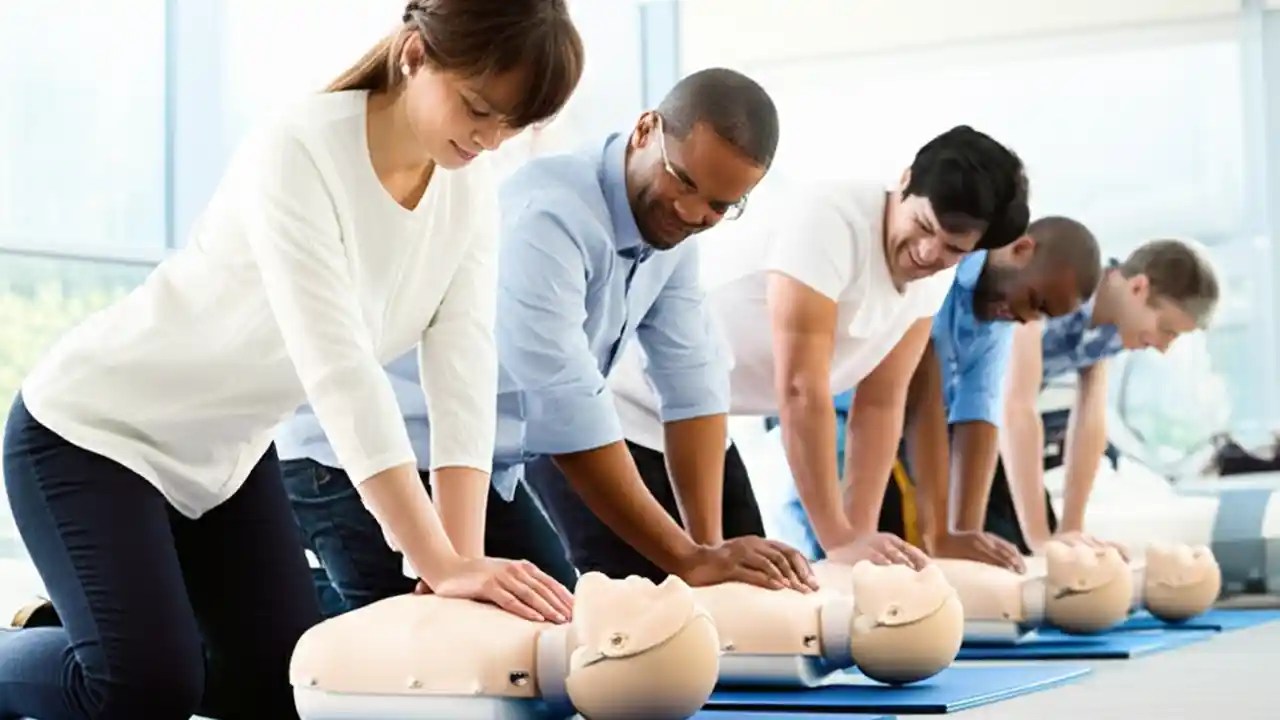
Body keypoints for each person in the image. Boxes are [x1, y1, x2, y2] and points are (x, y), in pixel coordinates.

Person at [0, 3, 584, 719]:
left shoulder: (466, 189)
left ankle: (94, 634)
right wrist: (433, 558)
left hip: (224, 461)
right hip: (91, 434)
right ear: (414, 55)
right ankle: (84, 649)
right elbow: (338, 371)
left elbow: (462, 367)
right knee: (143, 690)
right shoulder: (300, 148)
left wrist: (456, 563)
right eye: (477, 108)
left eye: (511, 124)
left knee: (284, 689)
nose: (490, 140)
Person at [608, 125, 1030, 571]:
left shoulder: (934, 273)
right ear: (904, 181)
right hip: (626, 411)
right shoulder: (832, 220)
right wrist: (838, 538)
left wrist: (862, 540)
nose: (928, 253)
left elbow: (882, 403)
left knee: (750, 593)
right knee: (654, 607)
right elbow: (801, 389)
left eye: (953, 249)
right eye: (923, 226)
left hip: (704, 425)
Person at [499, 68, 817, 590]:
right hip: (394, 456)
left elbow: (693, 380)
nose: (692, 212)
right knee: (555, 628)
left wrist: (708, 552)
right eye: (684, 180)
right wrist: (688, 559)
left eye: (720, 206)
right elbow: (564, 401)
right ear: (646, 130)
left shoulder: (672, 237)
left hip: (495, 463)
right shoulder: (550, 212)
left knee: (561, 618)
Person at [278, 353, 578, 618]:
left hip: (456, 452)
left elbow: (461, 358)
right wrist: (446, 569)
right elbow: (343, 379)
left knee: (552, 603)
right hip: (341, 450)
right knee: (403, 639)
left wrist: (462, 564)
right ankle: (285, 593)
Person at [882, 215, 1103, 571]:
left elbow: (978, 413)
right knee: (878, 555)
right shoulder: (943, 265)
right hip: (851, 411)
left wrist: (964, 531)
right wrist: (940, 533)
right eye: (1034, 301)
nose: (1025, 318)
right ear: (1021, 249)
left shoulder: (997, 317)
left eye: (1039, 316)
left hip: (908, 424)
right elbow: (924, 399)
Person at [990, 239, 1220, 556]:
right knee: (1004, 544)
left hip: (983, 425)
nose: (1162, 346)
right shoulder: (1059, 282)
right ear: (1139, 288)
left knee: (1033, 547)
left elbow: (1090, 421)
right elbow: (1016, 407)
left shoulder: (1110, 322)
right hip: (943, 412)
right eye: (1167, 329)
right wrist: (1041, 539)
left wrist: (1071, 527)